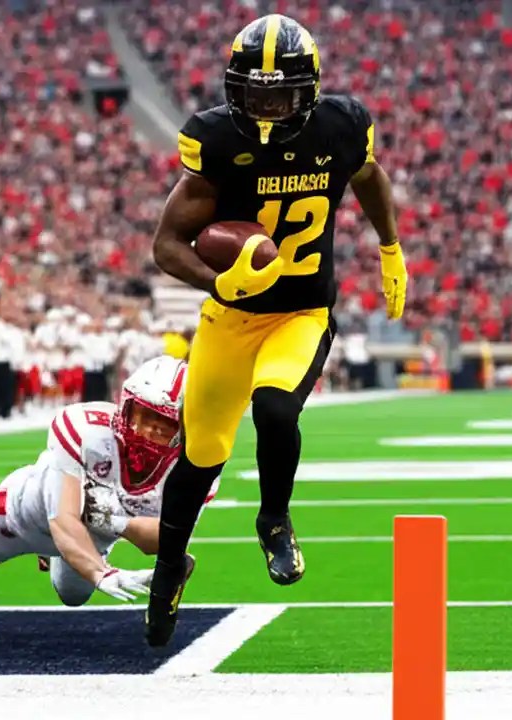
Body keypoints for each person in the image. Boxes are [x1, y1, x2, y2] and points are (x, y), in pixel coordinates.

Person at [144, 14, 408, 646]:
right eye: (252, 93)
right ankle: (168, 569)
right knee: (199, 459)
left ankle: (274, 520)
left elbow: (369, 176)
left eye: (279, 95)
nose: (264, 108)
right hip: (231, 319)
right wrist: (217, 282)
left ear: (308, 90)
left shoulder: (340, 127)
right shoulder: (215, 142)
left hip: (300, 312)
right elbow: (166, 245)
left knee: (276, 408)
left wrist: (390, 246)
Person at [0, 356, 209, 608]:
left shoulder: (192, 466)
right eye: (144, 418)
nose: (149, 433)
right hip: (23, 519)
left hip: (91, 537)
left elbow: (164, 540)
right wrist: (102, 572)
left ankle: (60, 556)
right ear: (125, 408)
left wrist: (114, 520)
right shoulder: (86, 429)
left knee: (72, 596)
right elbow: (63, 519)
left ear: (185, 427)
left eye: (165, 426)